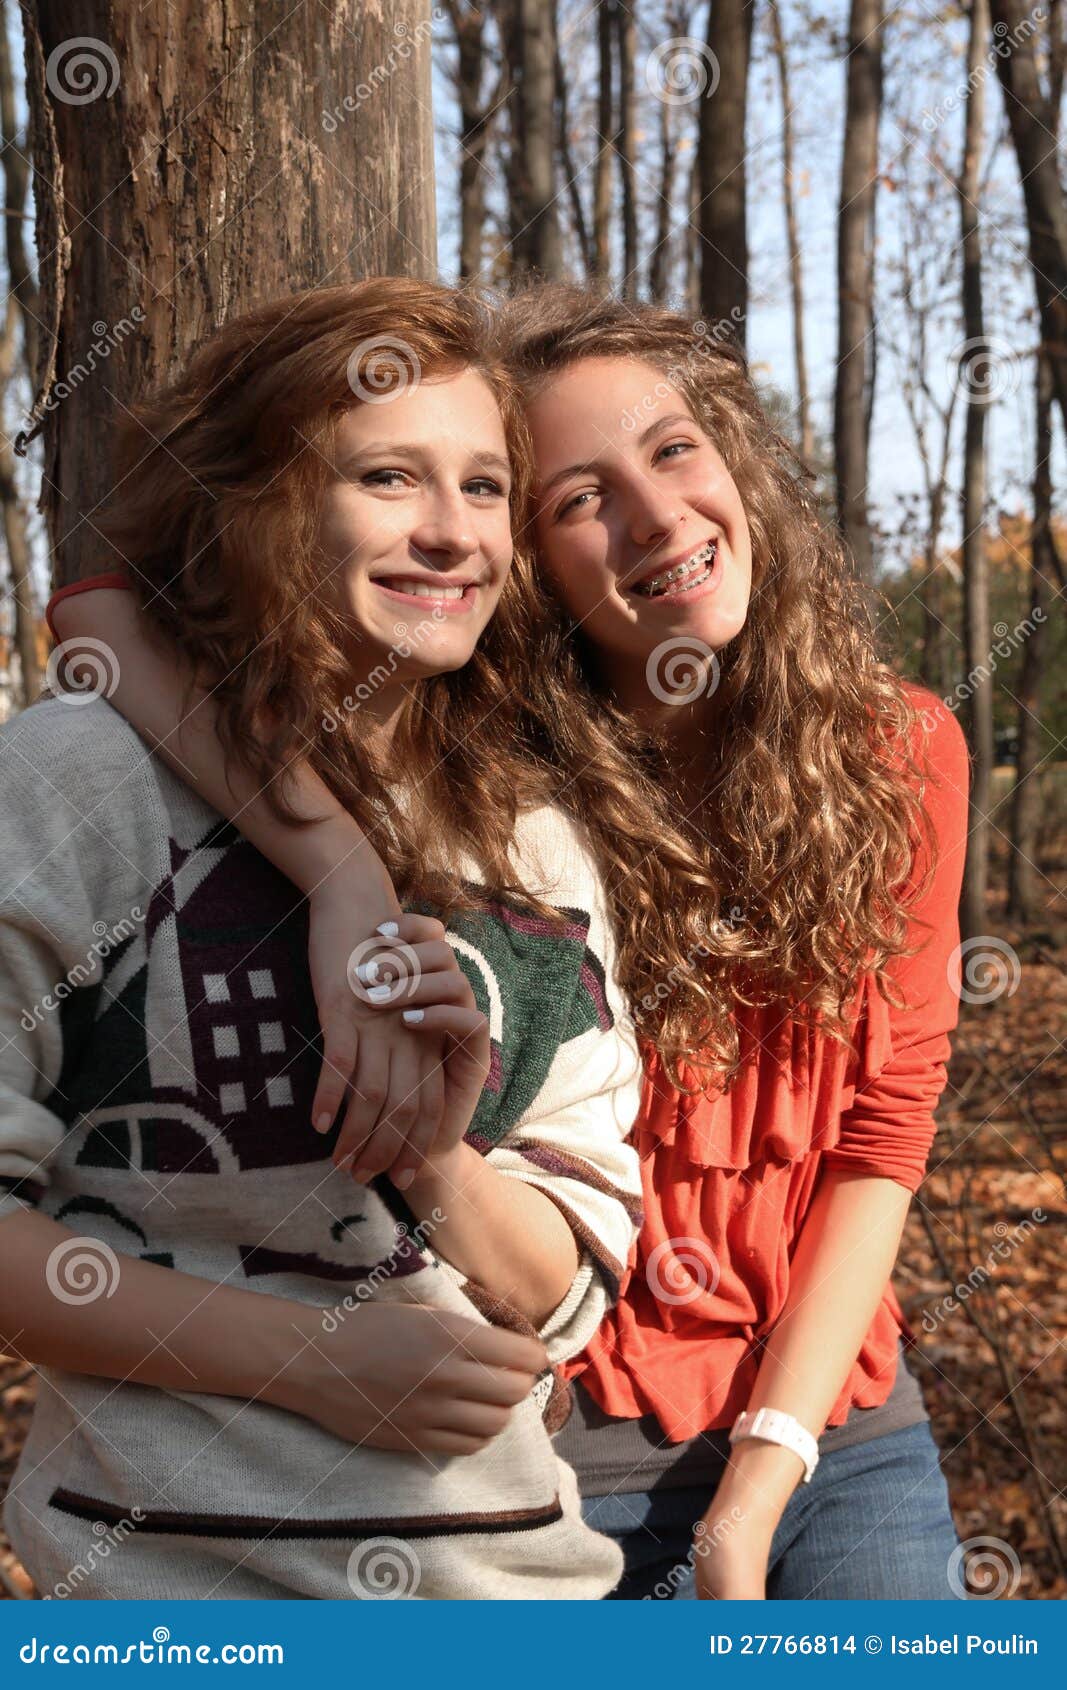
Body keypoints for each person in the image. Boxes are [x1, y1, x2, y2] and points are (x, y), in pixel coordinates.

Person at [45, 281, 971, 1601]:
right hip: (551, 1425)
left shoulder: (899, 751)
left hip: (827, 1419)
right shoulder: (497, 776)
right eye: (579, 498)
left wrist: (761, 1484)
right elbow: (97, 604)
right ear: (528, 565)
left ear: (738, 466)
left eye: (672, 450)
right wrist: (341, 869)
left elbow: (883, 1138)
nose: (656, 518)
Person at [0, 279, 645, 1601]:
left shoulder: (537, 836)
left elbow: (566, 1285)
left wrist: (438, 1157)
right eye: (389, 478)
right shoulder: (80, 779)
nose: (450, 532)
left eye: (482, 488)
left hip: (532, 1601)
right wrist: (316, 1360)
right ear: (260, 507)